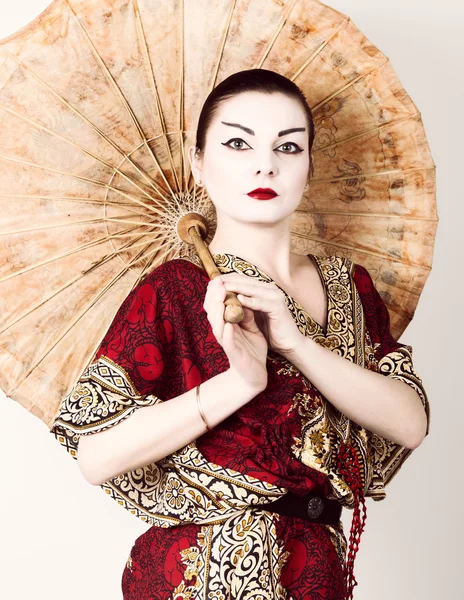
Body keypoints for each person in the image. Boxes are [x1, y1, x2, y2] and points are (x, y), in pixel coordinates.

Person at [50, 68, 430, 599]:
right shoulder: (176, 289)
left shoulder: (347, 286)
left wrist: (295, 342)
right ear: (199, 163)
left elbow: (409, 423)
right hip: (201, 572)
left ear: (309, 165)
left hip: (319, 569)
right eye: (237, 143)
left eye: (289, 147)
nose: (265, 164)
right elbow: (97, 455)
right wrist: (240, 382)